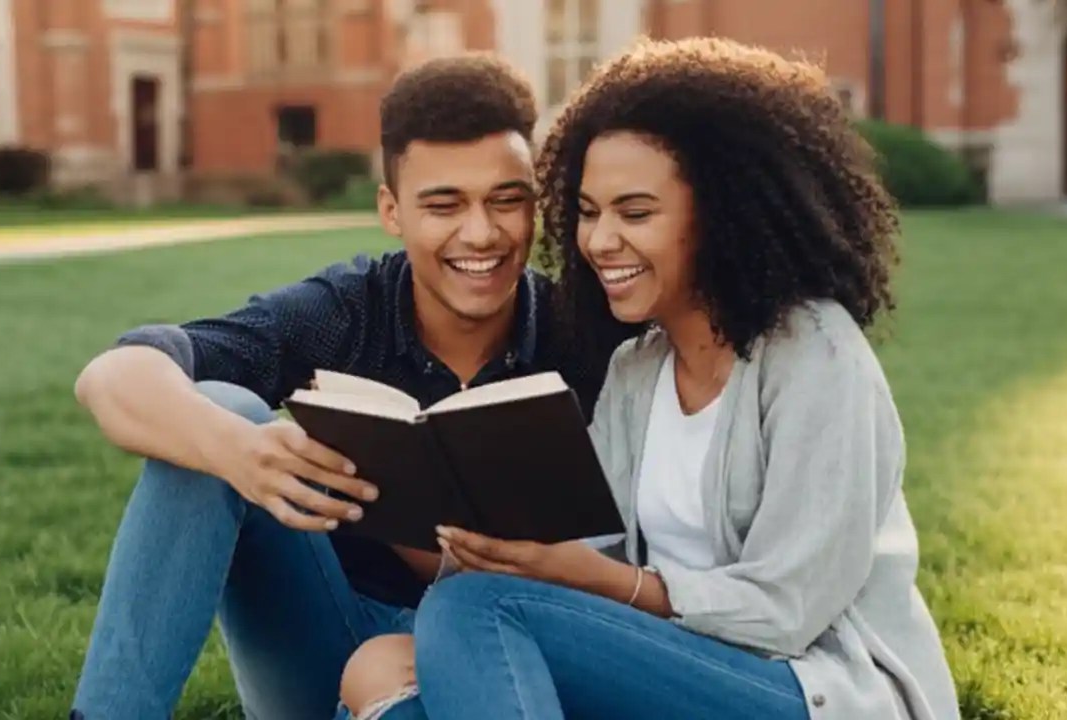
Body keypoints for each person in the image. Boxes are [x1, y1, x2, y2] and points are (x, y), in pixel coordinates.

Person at [338, 37, 960, 720]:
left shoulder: (815, 355)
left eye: (635, 213)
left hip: (816, 689)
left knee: (471, 611)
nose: (600, 241)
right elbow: (585, 547)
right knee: (391, 682)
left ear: (721, 214)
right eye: (588, 211)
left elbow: (785, 614)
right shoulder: (637, 370)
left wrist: (613, 584)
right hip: (674, 671)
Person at [67, 54, 632, 720]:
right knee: (218, 411)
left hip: (519, 659)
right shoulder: (344, 313)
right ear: (392, 210)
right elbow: (114, 374)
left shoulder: (586, 336)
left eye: (506, 201)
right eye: (443, 205)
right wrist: (241, 454)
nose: (480, 234)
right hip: (333, 646)